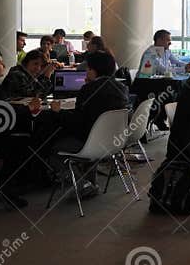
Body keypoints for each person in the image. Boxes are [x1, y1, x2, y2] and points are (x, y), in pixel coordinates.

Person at [48, 51, 129, 195]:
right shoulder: (122, 88)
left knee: (52, 148)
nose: (86, 71)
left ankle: (83, 185)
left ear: (93, 70)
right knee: (92, 134)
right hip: (115, 142)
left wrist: (58, 111)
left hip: (90, 143)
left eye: (88, 68)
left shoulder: (88, 90)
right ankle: (90, 181)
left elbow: (77, 122)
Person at [0, 49, 40, 208]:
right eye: (0, 62)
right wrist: (28, 109)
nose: (4, 65)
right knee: (21, 142)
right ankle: (5, 187)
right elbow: (3, 113)